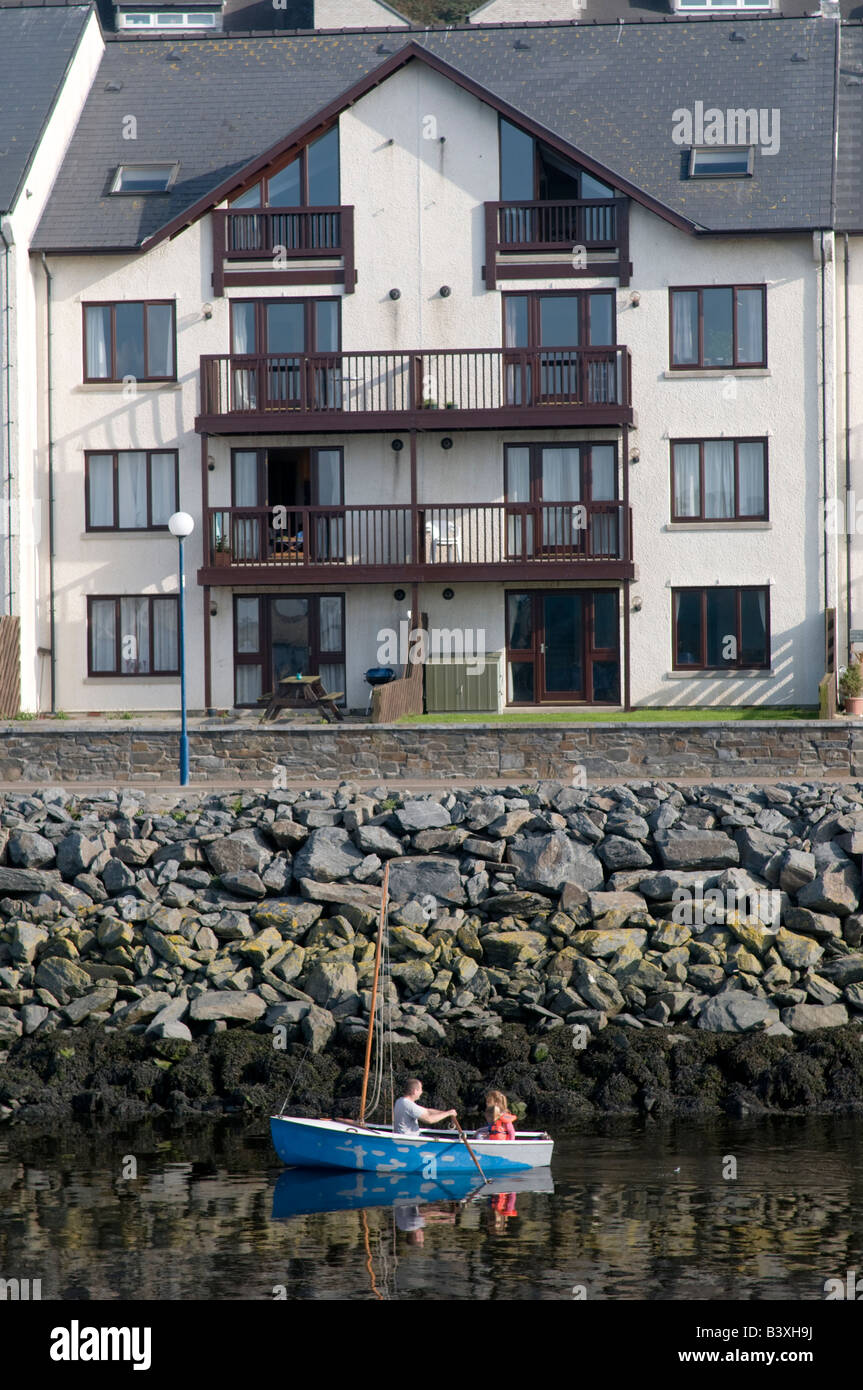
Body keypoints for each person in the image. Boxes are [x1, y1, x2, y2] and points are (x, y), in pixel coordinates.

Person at [392, 1078, 457, 1135]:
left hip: (406, 1137)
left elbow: (427, 1111)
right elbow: (429, 1119)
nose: (422, 1092)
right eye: (420, 1089)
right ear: (415, 1091)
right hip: (411, 1139)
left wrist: (447, 1113)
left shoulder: (400, 1101)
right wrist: (448, 1113)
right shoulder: (408, 1105)